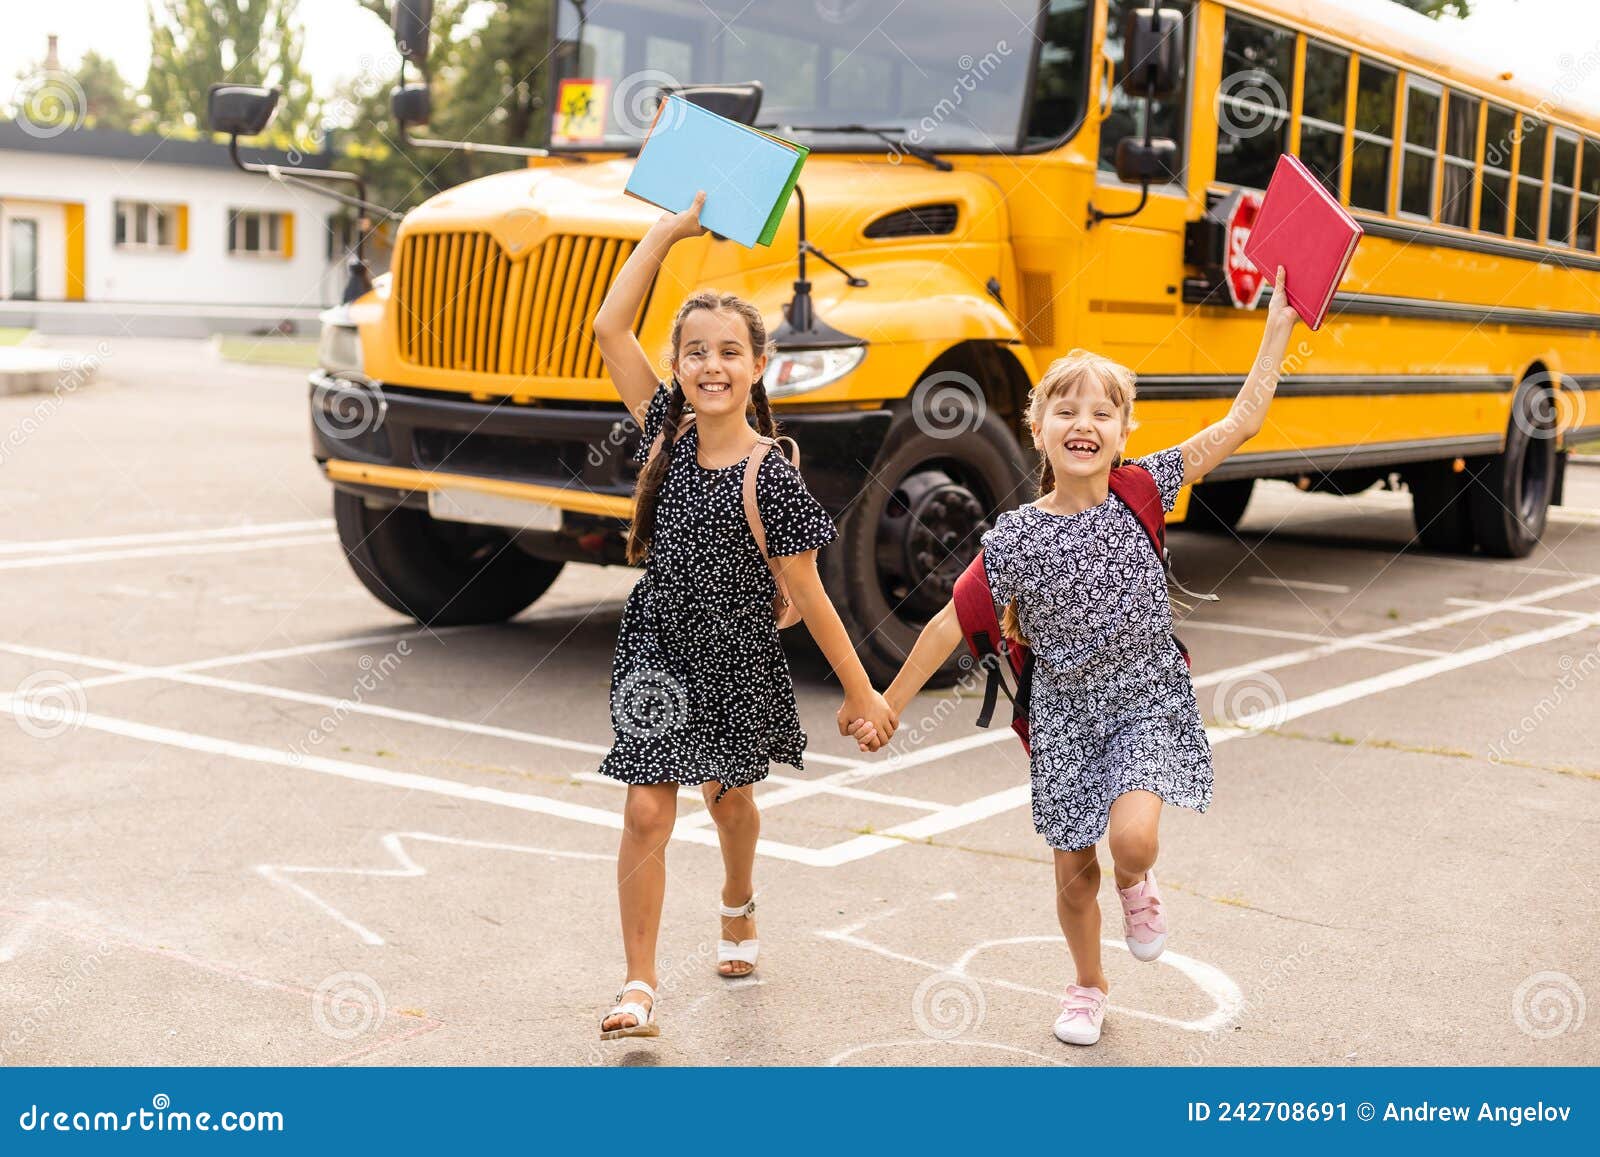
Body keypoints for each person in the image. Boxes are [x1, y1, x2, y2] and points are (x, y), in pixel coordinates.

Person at [852, 269, 1301, 1045]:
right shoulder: (1018, 536)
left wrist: (1279, 325)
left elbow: (1245, 419)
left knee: (1130, 841)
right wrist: (888, 700)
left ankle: (1139, 882)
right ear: (1040, 430)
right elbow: (946, 627)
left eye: (1102, 410)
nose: (1083, 420)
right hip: (1063, 714)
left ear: (1124, 431)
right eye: (1066, 408)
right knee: (1070, 872)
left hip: (1147, 696)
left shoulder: (1145, 487)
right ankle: (1088, 985)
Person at [592, 191, 898, 1040]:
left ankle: (738, 900)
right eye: (695, 352)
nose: (711, 365)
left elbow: (811, 599)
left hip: (735, 655)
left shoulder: (771, 475)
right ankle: (639, 983)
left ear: (759, 365)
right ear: (680, 365)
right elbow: (611, 328)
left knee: (729, 800)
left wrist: (862, 693)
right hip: (655, 643)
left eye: (730, 350)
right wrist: (667, 231)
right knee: (648, 808)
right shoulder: (665, 431)